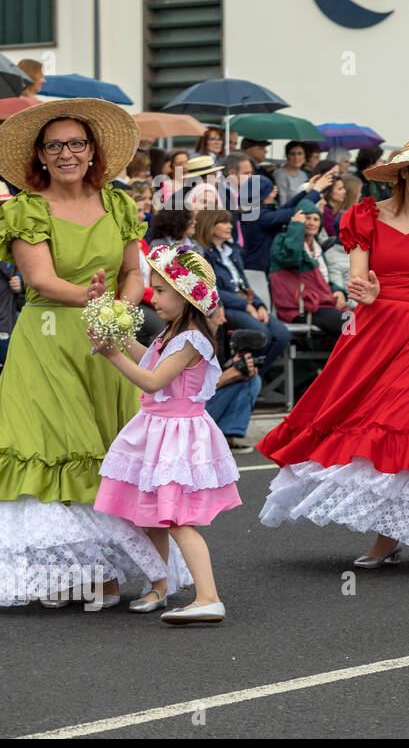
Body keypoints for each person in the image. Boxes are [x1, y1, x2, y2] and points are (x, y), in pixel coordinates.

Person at [258, 131, 409, 570]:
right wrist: (364, 290)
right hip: (375, 330)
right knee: (380, 430)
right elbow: (359, 279)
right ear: (403, 175)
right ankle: (387, 538)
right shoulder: (364, 216)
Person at [0, 98, 190, 608]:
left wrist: (119, 307)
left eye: (76, 143)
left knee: (110, 455)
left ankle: (106, 574)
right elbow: (39, 280)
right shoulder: (25, 208)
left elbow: (135, 271)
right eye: (54, 145)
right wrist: (94, 298)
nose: (66, 153)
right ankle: (78, 571)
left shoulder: (119, 203)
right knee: (60, 447)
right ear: (39, 155)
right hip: (49, 340)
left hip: (109, 338)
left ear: (93, 151)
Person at [90, 245, 238, 623]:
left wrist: (111, 356)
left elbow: (154, 380)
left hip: (177, 434)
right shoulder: (172, 332)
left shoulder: (191, 339)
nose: (151, 297)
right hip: (157, 429)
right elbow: (148, 360)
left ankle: (208, 597)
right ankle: (159, 584)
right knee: (152, 513)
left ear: (186, 294)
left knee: (175, 517)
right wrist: (116, 336)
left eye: (160, 291)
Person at [197, 208, 290, 371]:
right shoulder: (203, 255)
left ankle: (253, 376)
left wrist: (260, 305)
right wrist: (245, 306)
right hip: (226, 307)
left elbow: (246, 285)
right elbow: (211, 290)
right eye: (224, 222)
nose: (230, 226)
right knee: (262, 335)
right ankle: (238, 374)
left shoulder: (232, 252)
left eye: (229, 222)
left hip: (246, 304)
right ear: (210, 226)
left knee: (282, 335)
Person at [268, 199, 348, 339]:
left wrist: (338, 290)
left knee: (361, 323)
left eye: (316, 219)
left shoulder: (317, 248)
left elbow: (323, 281)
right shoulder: (282, 240)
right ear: (297, 219)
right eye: (306, 218)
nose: (311, 222)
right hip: (299, 309)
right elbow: (292, 259)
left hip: (322, 304)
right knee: (350, 324)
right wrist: (296, 227)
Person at [204, 304, 263, 453]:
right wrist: (229, 375)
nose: (224, 320)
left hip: (206, 406)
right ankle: (209, 438)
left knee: (251, 380)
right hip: (190, 412)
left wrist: (236, 366)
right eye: (219, 317)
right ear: (205, 318)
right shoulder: (192, 341)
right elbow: (195, 390)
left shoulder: (217, 335)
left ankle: (227, 436)